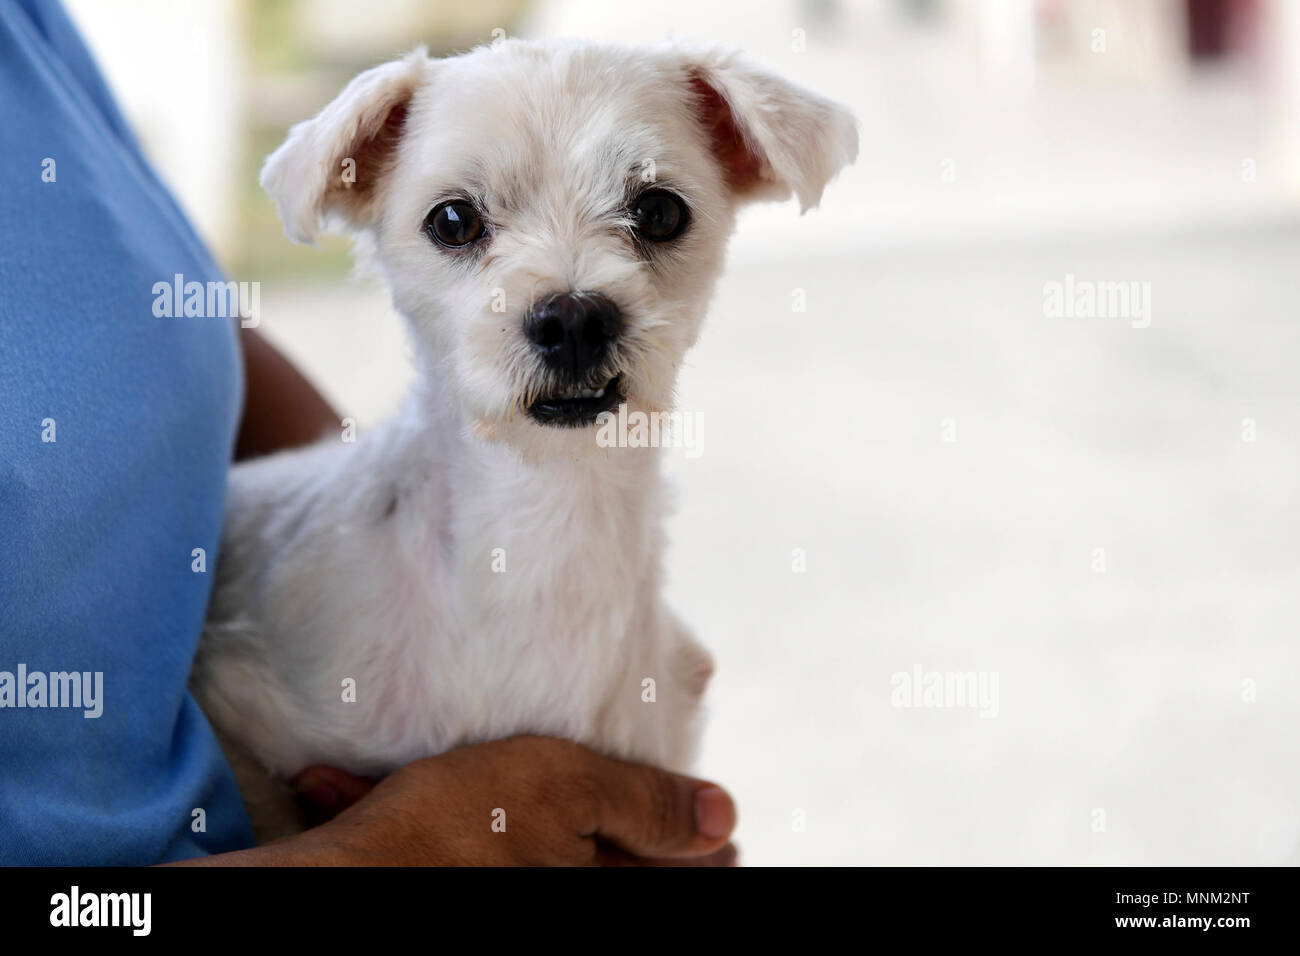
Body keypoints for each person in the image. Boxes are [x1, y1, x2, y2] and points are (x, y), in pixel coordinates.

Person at [0, 0, 736, 866]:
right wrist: (363, 853)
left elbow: (177, 317)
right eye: (459, 225)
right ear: (357, 183)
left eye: (653, 215)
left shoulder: (29, 29)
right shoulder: (323, 696)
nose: (569, 308)